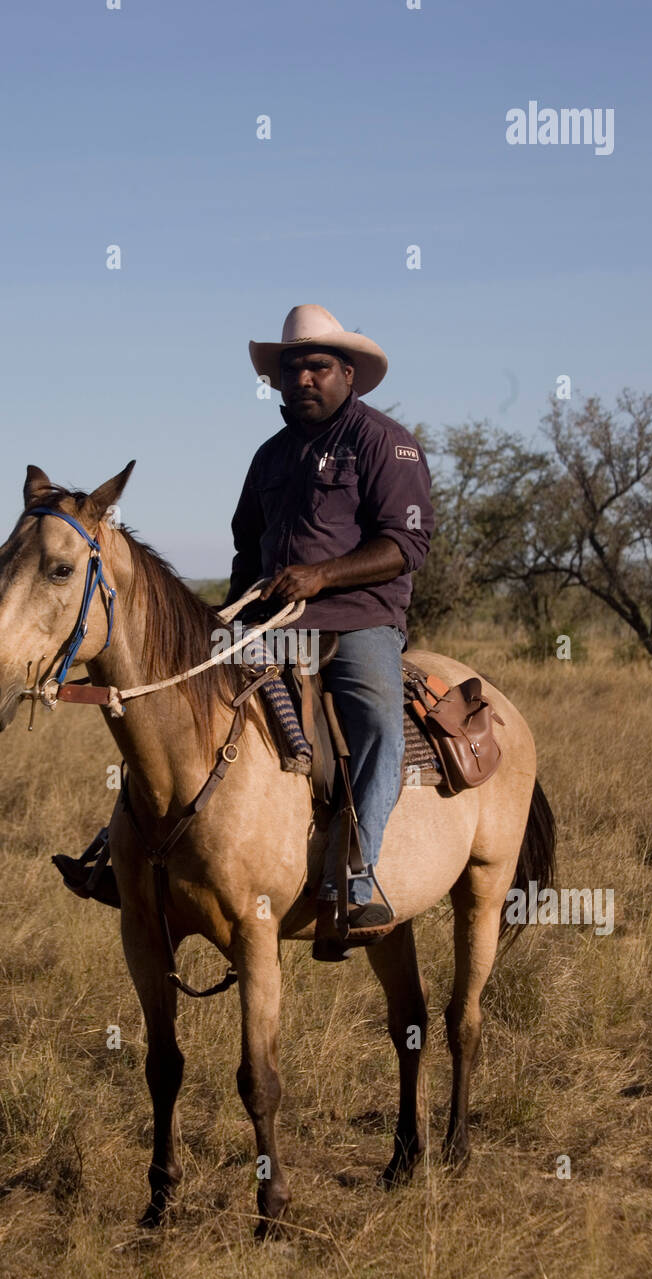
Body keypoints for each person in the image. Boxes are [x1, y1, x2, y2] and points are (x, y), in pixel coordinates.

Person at [228, 305, 434, 956]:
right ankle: (124, 854)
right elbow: (245, 546)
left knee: (378, 723)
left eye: (318, 367)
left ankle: (357, 875)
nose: (304, 379)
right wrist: (229, 611)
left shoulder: (384, 441)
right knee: (178, 698)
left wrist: (320, 577)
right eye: (293, 369)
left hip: (356, 622)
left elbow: (407, 542)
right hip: (268, 621)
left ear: (348, 373)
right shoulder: (269, 457)